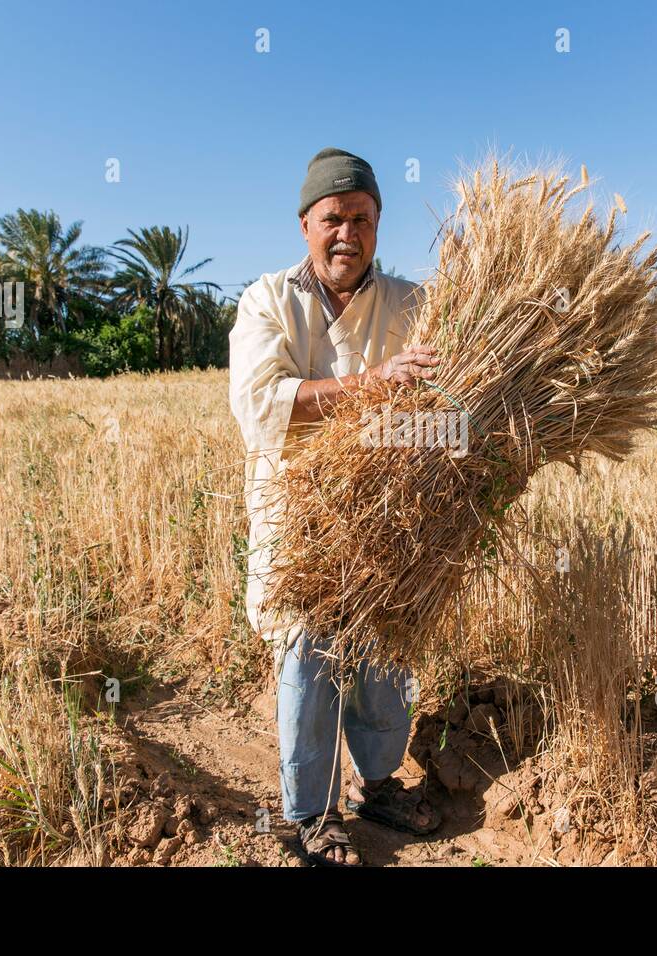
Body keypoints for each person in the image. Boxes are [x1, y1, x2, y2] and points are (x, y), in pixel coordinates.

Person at [228, 147, 443, 866]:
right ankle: (312, 814)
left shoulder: (414, 305)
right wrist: (378, 384)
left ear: (378, 225)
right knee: (306, 660)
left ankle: (377, 783)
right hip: (297, 518)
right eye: (333, 219)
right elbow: (263, 407)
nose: (347, 233)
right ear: (304, 226)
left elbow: (448, 404)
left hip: (390, 520)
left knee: (386, 653)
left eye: (362, 218)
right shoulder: (267, 301)